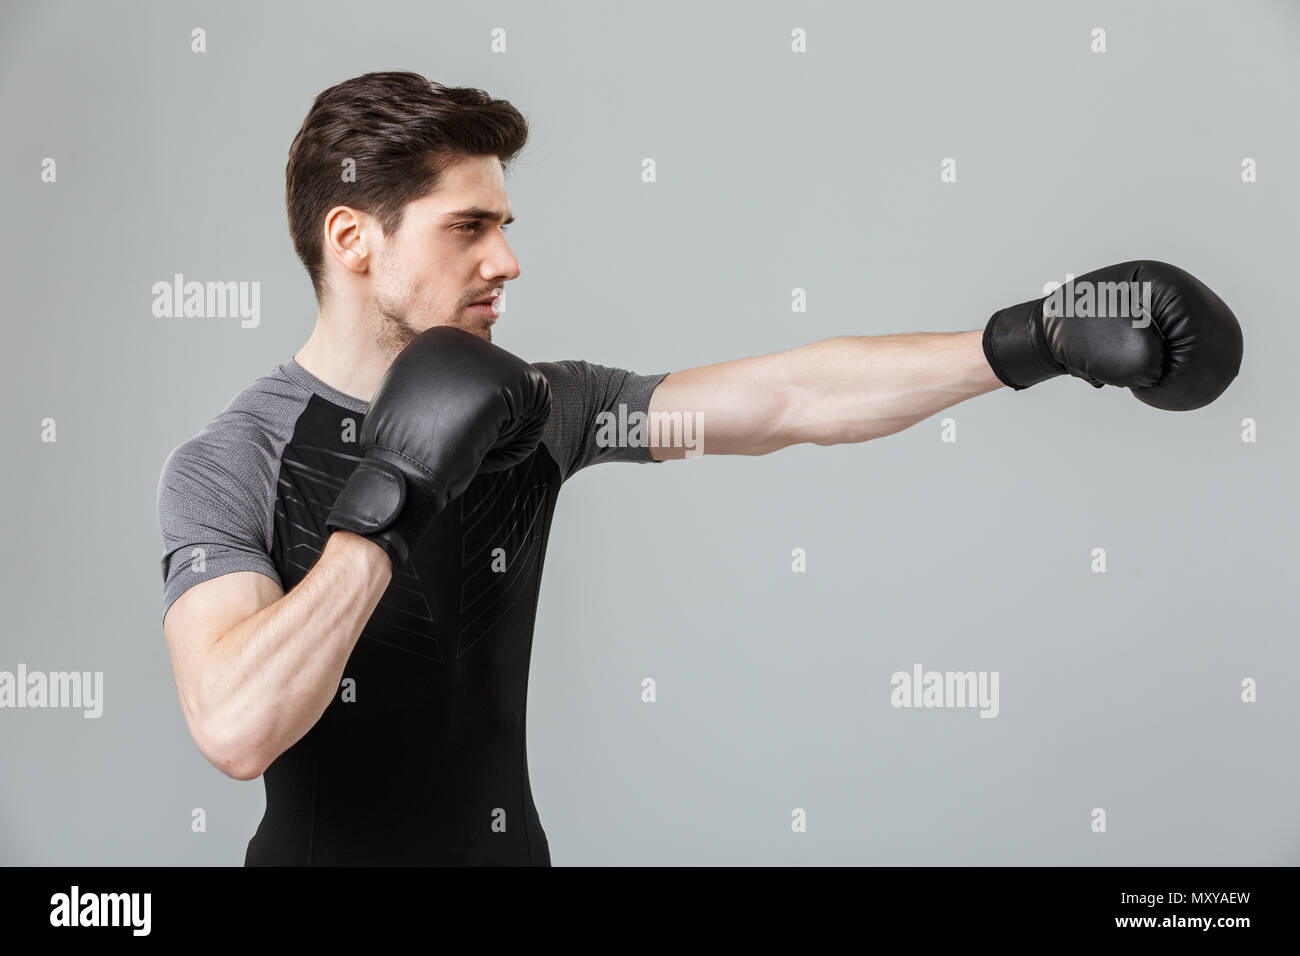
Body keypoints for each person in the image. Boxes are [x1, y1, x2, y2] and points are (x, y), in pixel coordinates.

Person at [156, 71, 1243, 866]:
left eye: (508, 224)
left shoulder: (540, 408)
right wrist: (389, 497)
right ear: (353, 239)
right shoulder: (236, 457)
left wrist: (1027, 342)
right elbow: (236, 727)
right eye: (469, 227)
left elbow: (785, 401)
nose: (508, 259)